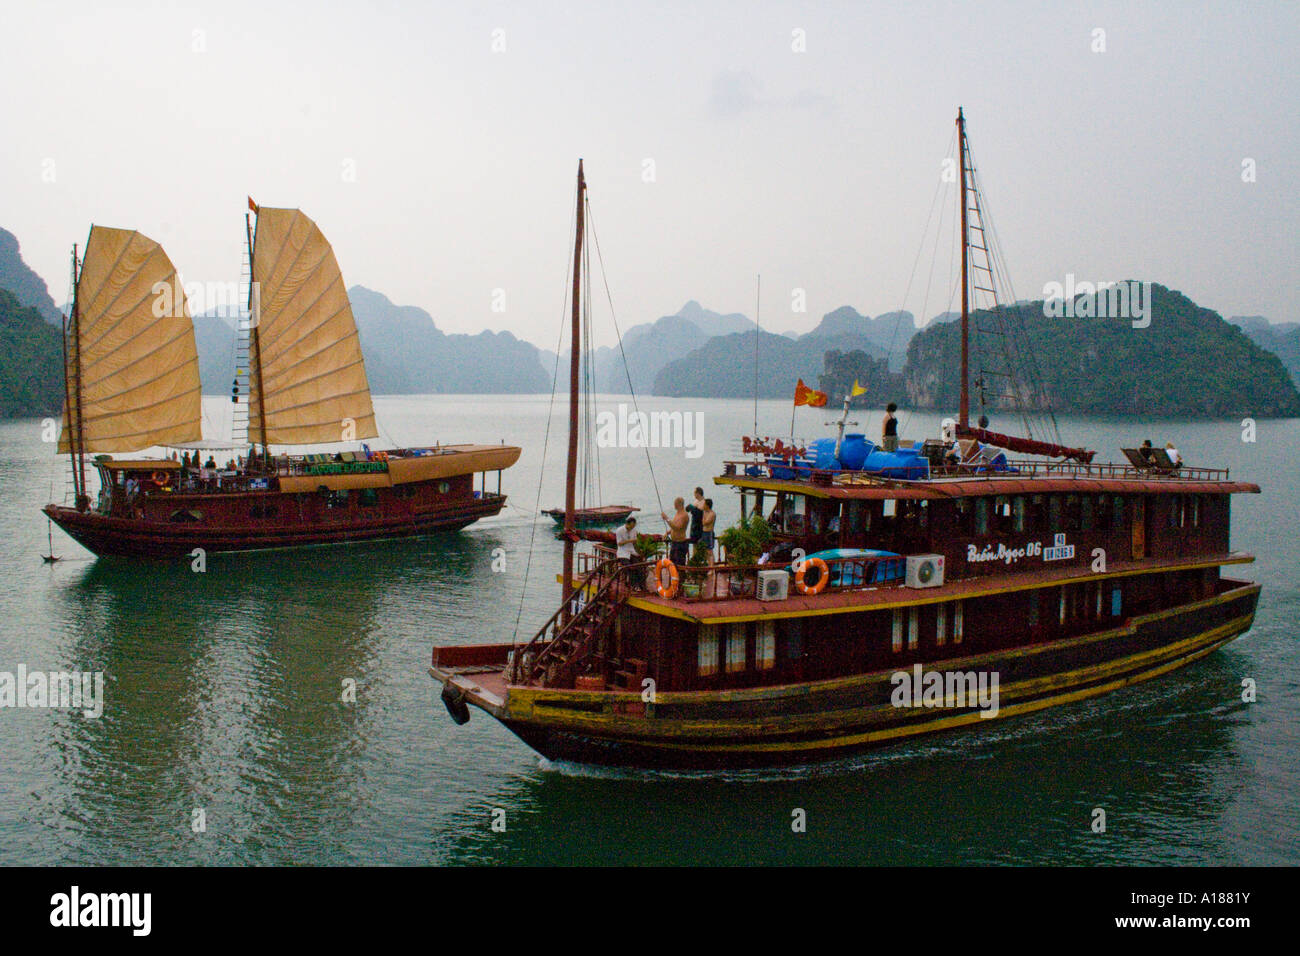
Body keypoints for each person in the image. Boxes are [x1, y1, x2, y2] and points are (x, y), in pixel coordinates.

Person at [661, 498, 689, 565]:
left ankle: (680, 575)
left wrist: (666, 518)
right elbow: (673, 527)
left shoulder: (684, 515)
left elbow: (677, 528)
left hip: (680, 543)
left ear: (679, 504)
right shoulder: (677, 514)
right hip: (674, 542)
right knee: (672, 564)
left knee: (679, 564)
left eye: (675, 504)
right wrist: (667, 533)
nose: (674, 505)